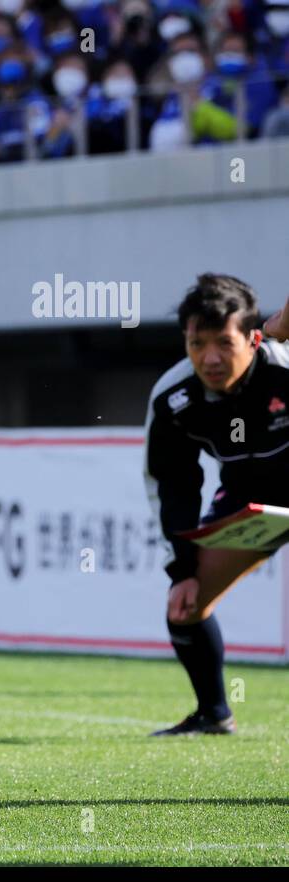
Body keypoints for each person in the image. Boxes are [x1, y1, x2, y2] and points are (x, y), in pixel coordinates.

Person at [144, 274, 289, 736]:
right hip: (254, 503)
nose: (209, 358)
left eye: (224, 343)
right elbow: (174, 484)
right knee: (184, 606)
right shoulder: (173, 398)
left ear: (253, 336)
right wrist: (183, 567)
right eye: (196, 342)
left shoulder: (284, 367)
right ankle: (213, 713)